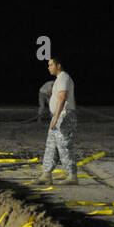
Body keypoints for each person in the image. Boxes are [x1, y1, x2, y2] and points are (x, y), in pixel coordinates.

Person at [41, 56, 76, 185]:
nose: (48, 67)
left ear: (58, 65)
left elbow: (63, 97)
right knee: (51, 145)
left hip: (63, 116)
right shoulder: (58, 79)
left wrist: (56, 117)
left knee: (64, 145)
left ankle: (72, 175)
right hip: (57, 115)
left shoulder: (63, 78)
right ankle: (46, 174)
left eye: (51, 65)